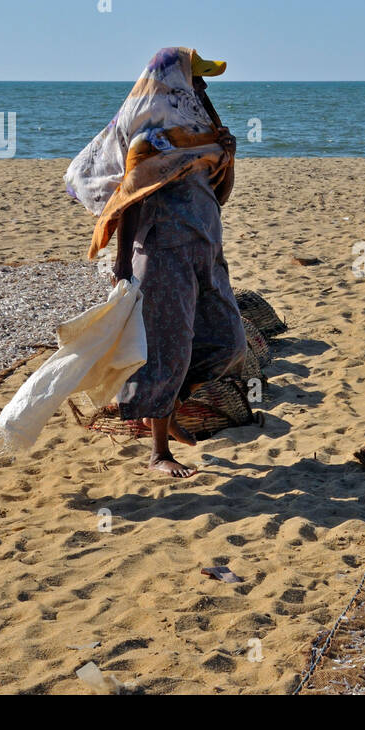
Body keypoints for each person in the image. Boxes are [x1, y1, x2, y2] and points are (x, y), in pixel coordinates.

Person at [65, 47, 248, 476]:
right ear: (173, 84)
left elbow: (218, 198)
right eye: (196, 79)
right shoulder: (151, 141)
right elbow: (129, 200)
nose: (202, 87)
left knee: (229, 343)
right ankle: (159, 453)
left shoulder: (200, 133)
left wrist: (228, 155)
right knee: (168, 351)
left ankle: (163, 410)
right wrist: (123, 263)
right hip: (163, 257)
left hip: (206, 252)